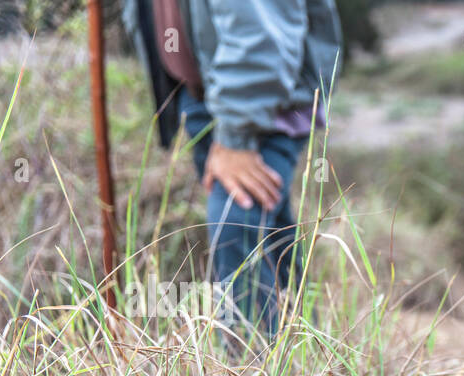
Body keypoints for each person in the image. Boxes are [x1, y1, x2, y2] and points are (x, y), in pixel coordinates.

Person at [123, 0, 342, 338]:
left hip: (265, 97)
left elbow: (257, 36)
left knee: (235, 218)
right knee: (264, 228)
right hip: (203, 92)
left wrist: (236, 138)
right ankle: (309, 350)